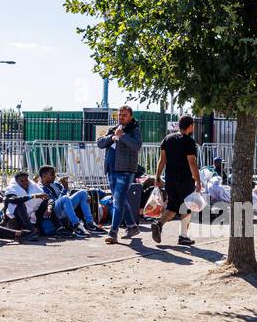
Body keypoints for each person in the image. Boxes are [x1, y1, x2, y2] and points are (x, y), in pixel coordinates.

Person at [97, 105, 143, 244]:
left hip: (125, 171)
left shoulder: (134, 130)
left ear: (130, 117)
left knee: (118, 201)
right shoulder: (113, 129)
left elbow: (136, 146)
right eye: (120, 115)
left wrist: (122, 136)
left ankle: (113, 232)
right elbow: (100, 143)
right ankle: (132, 226)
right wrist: (112, 137)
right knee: (120, 200)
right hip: (111, 169)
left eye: (124, 115)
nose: (121, 117)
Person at [152, 114, 201, 245]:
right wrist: (198, 181)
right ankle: (183, 236)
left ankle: (159, 224)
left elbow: (162, 160)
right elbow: (192, 163)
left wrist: (157, 176)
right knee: (187, 206)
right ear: (190, 126)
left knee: (173, 207)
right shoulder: (189, 142)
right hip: (185, 179)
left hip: (170, 179)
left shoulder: (167, 139)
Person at [38, 165, 100, 237]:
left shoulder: (56, 185)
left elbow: (67, 198)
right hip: (52, 212)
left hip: (64, 208)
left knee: (83, 193)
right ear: (44, 176)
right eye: (52, 174)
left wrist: (85, 197)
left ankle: (90, 224)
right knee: (65, 198)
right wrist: (64, 189)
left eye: (54, 174)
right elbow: (53, 202)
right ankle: (76, 225)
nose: (54, 176)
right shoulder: (40, 189)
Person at [3, 171, 50, 237]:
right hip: (14, 219)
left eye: (26, 180)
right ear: (16, 181)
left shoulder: (33, 188)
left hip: (29, 218)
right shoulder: (11, 190)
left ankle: (59, 227)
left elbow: (49, 199)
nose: (25, 183)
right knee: (20, 204)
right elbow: (14, 200)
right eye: (22, 181)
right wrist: (33, 196)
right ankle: (32, 230)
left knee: (44, 203)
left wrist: (49, 208)